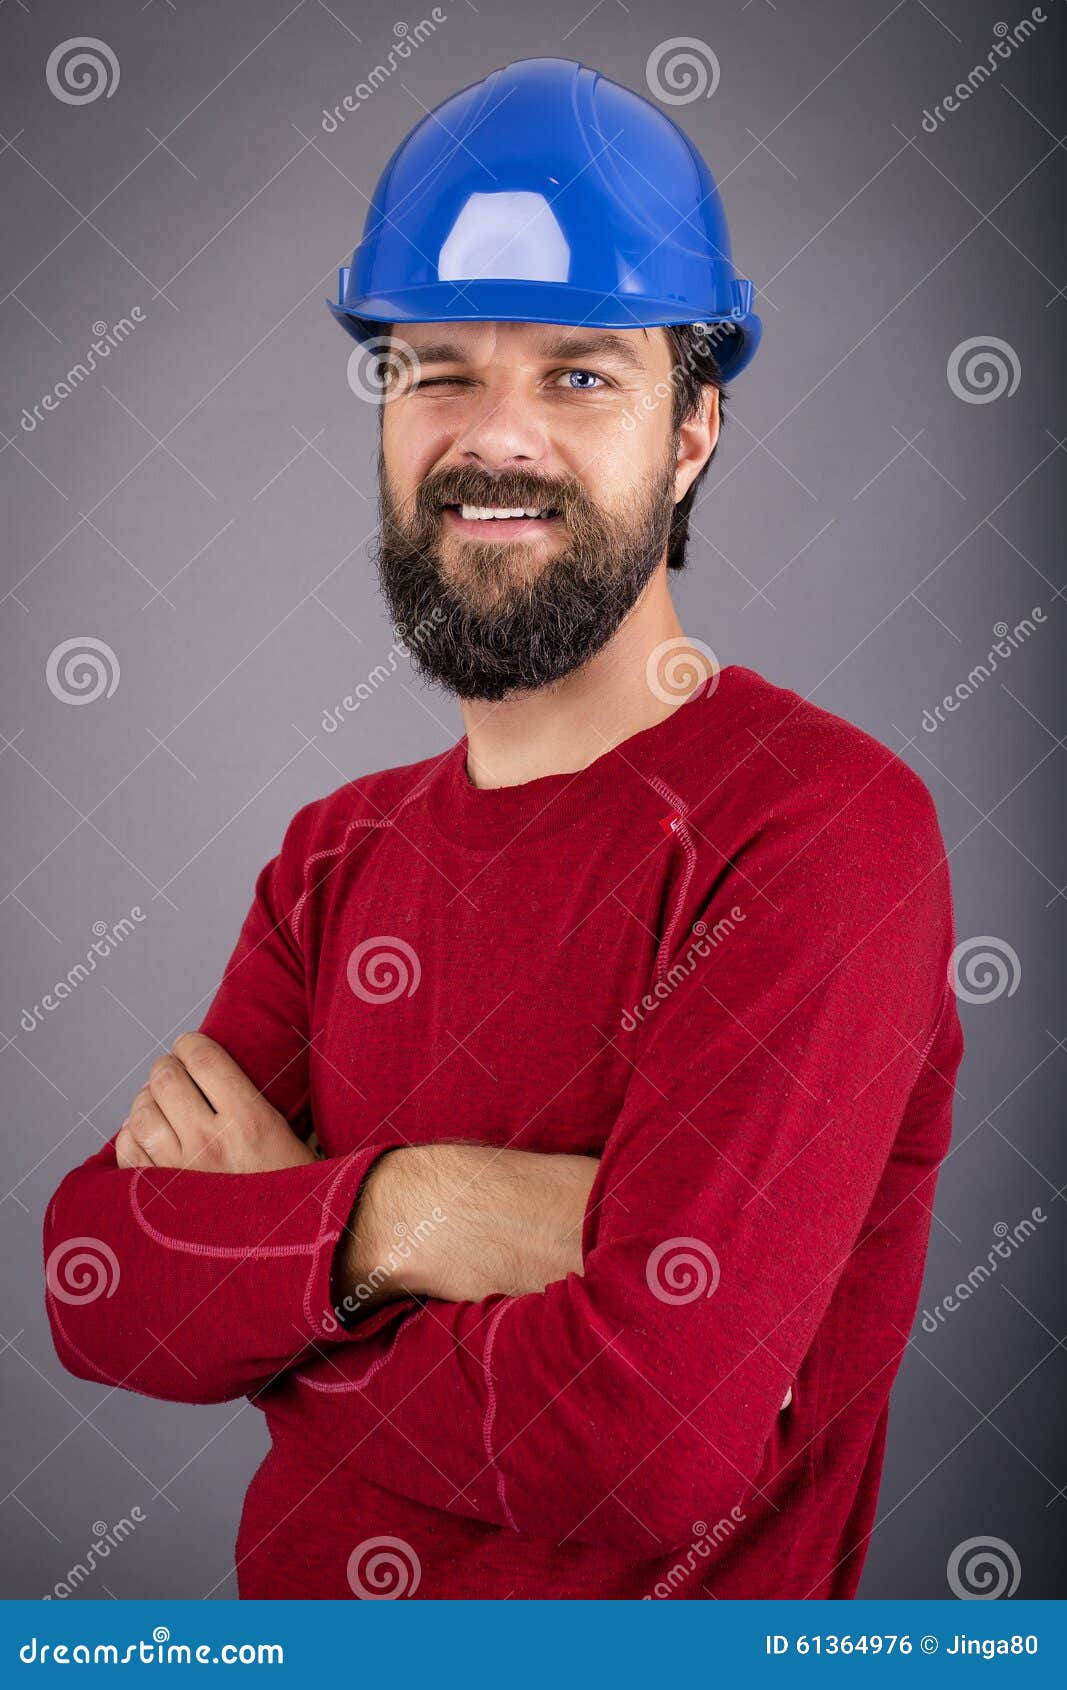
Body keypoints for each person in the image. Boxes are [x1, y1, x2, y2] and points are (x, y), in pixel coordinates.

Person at [42, 57, 963, 1601]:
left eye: (580, 375)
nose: (496, 437)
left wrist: (289, 1285)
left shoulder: (824, 833)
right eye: (439, 371)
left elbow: (647, 1442)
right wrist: (415, 1209)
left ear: (694, 429)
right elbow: (99, 1275)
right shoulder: (334, 856)